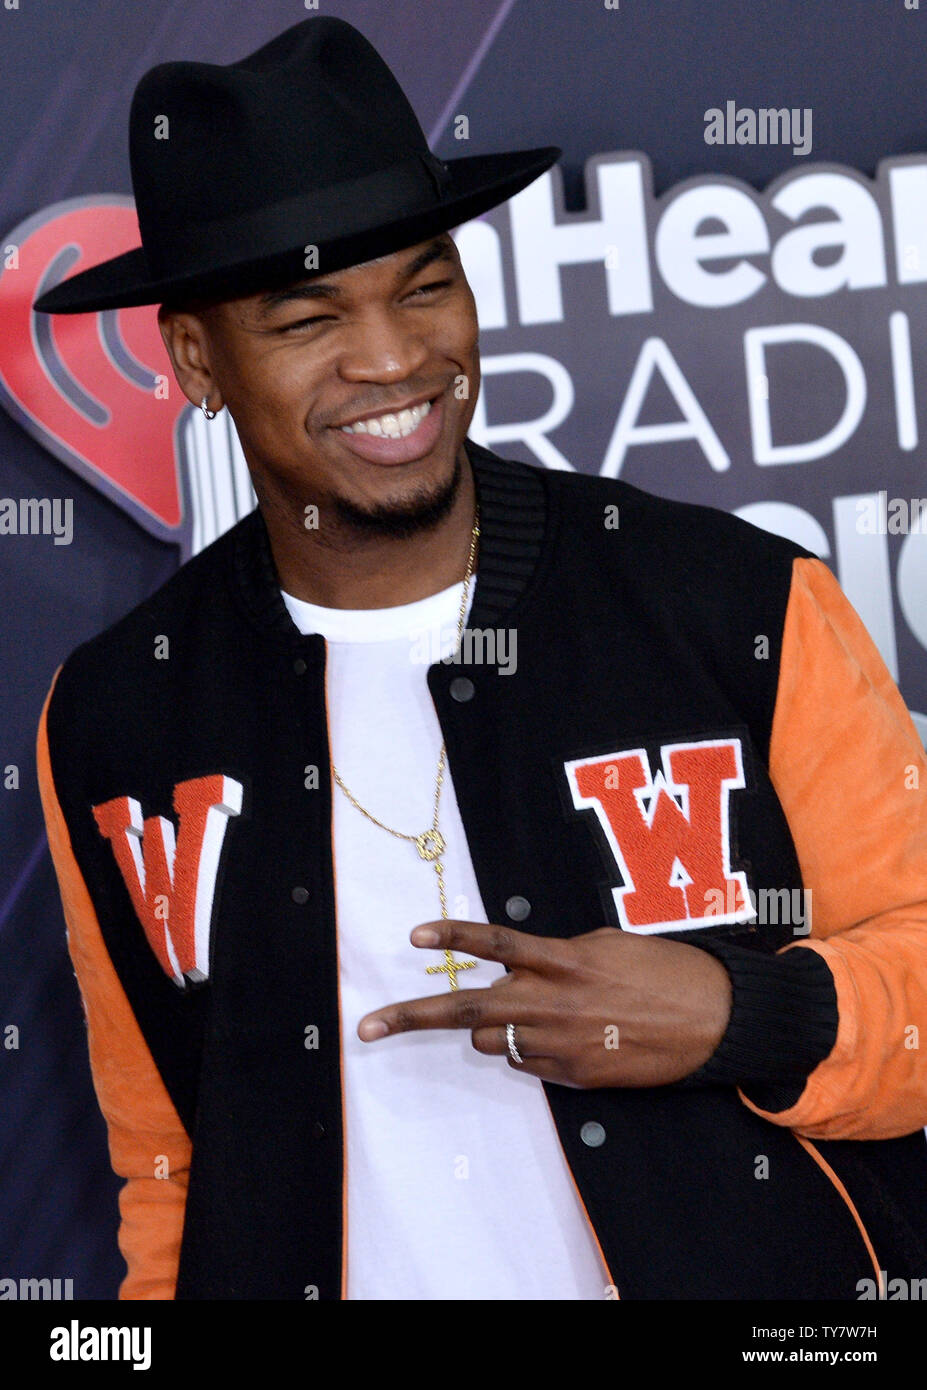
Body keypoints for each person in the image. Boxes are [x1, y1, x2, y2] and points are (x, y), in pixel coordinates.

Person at [34, 15, 927, 1301]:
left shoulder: (734, 600)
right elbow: (165, 1158)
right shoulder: (119, 710)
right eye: (305, 320)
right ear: (194, 359)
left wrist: (738, 1014)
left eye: (425, 283)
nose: (395, 359)